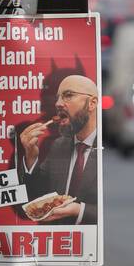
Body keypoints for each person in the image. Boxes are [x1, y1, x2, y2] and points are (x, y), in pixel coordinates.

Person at [16, 74, 99, 225]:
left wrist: (79, 211)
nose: (58, 103)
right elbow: (36, 198)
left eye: (68, 95)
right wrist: (31, 156)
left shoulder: (110, 150)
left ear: (92, 103)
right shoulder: (58, 146)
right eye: (58, 97)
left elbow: (121, 211)